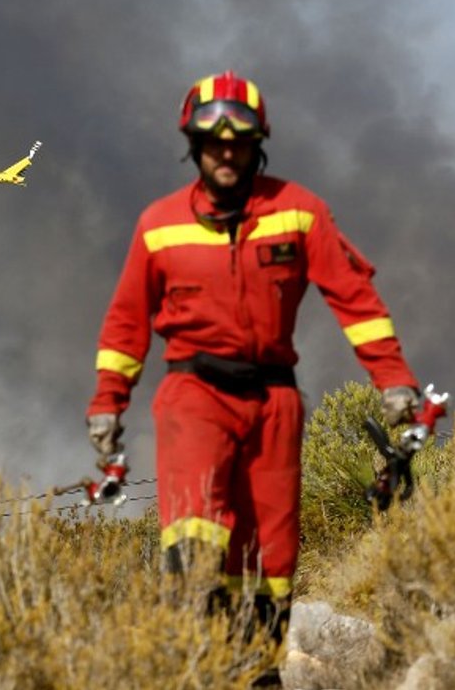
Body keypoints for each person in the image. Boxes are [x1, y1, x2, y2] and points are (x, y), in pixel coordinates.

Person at [85, 71, 420, 655]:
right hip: (194, 394)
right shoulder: (158, 226)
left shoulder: (299, 212)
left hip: (274, 404)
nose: (226, 153)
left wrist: (394, 381)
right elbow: (126, 323)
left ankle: (258, 668)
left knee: (272, 555)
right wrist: (108, 402)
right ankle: (200, 661)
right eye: (213, 143)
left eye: (238, 142)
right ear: (194, 146)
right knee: (196, 532)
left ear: (256, 144)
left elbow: (355, 300)